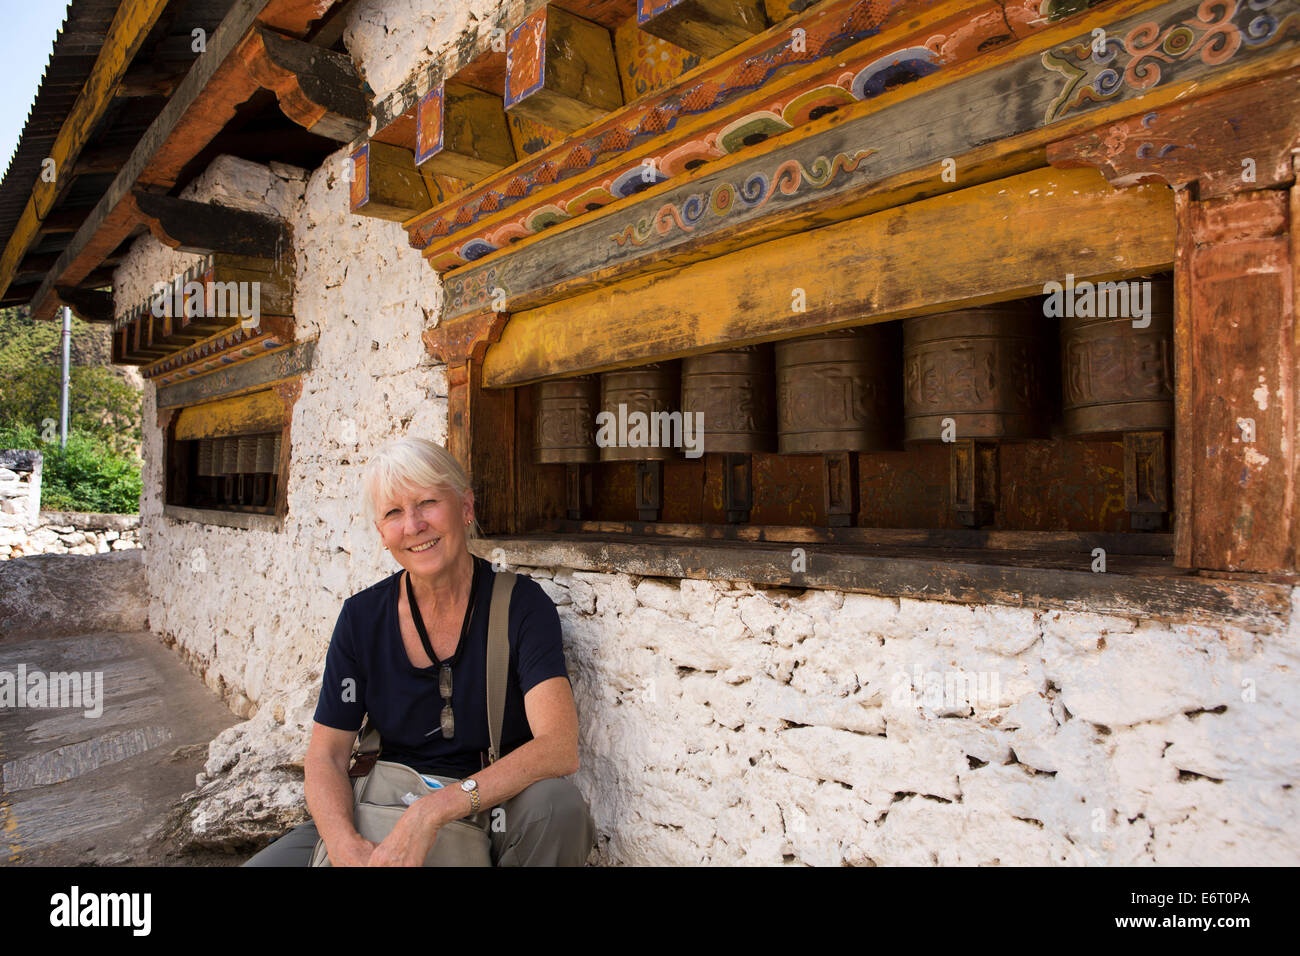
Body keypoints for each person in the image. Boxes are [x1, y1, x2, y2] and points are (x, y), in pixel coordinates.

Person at [244, 437, 595, 866]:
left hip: (488, 804)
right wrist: (344, 845)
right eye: (393, 513)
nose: (412, 526)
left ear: (465, 507)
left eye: (427, 502)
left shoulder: (521, 605)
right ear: (382, 532)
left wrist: (433, 810)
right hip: (381, 803)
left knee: (558, 807)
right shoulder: (362, 617)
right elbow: (327, 755)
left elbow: (559, 746)